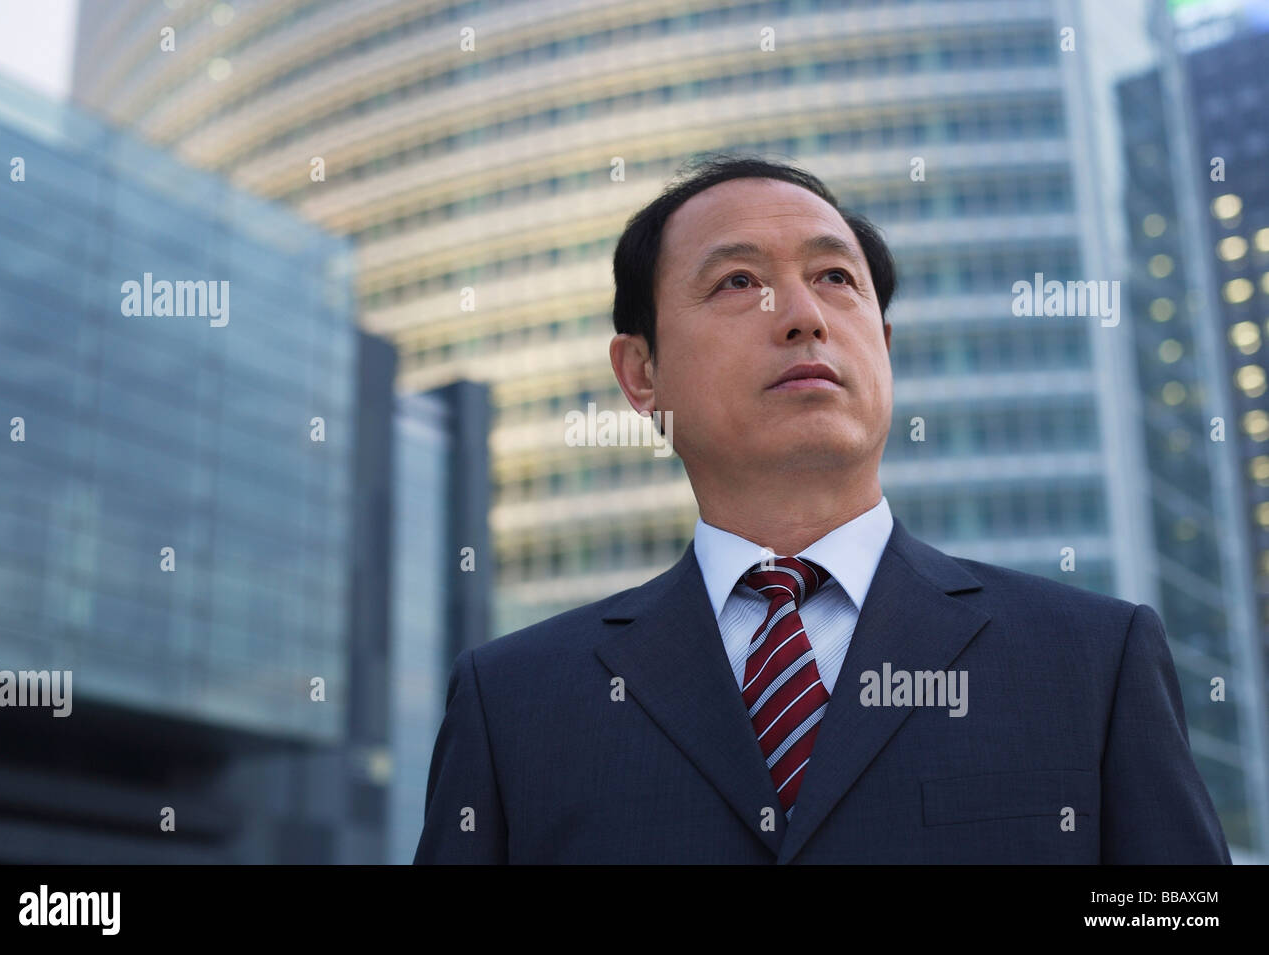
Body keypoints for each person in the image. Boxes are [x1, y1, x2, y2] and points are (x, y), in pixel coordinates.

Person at [413, 154, 1232, 864]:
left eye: (835, 278)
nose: (802, 316)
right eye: (739, 281)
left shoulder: (1092, 660)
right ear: (641, 375)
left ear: (882, 340)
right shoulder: (514, 702)